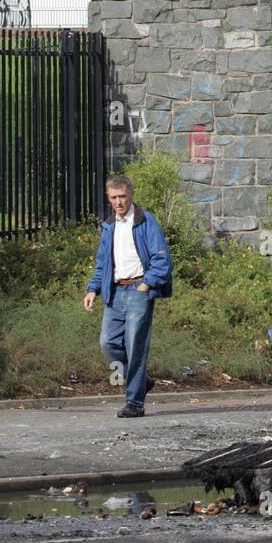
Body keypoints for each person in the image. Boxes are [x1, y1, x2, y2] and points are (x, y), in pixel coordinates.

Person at [83, 175, 173, 417]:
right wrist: (93, 289)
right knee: (108, 343)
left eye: (122, 196)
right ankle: (142, 381)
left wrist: (147, 284)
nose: (118, 202)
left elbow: (162, 259)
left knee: (135, 348)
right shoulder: (110, 226)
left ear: (131, 195)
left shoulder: (146, 221)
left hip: (138, 290)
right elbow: (102, 263)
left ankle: (134, 403)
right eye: (113, 197)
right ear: (108, 198)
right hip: (114, 292)